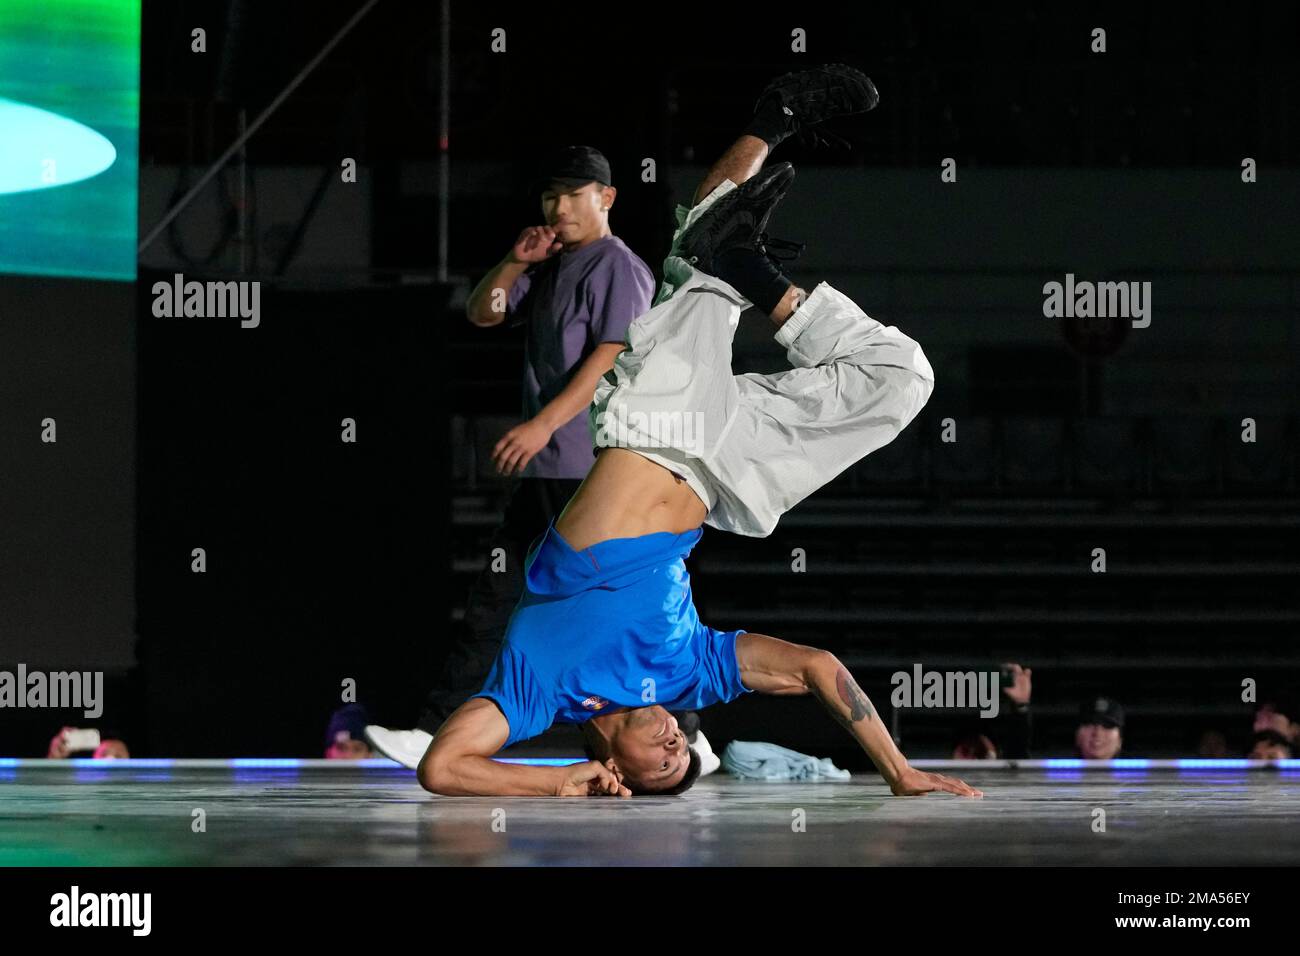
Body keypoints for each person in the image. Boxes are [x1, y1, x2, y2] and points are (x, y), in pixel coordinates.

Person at [414, 64, 981, 799]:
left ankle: (771, 122)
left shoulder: (535, 691)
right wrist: (898, 772)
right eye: (685, 756)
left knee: (698, 265)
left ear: (616, 768)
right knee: (903, 378)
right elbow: (816, 667)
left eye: (663, 764)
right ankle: (757, 275)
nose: (675, 744)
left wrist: (556, 784)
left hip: (656, 426)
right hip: (725, 471)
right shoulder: (690, 674)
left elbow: (443, 767)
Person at [367, 146, 701, 767]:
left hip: (591, 464)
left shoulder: (618, 265)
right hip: (555, 468)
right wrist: (513, 262)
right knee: (503, 594)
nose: (560, 206)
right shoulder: (551, 266)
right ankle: (438, 728)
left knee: (600, 601)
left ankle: (689, 730)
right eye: (551, 195)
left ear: (607, 198)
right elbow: (482, 314)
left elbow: (611, 353)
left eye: (575, 194)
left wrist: (542, 425)